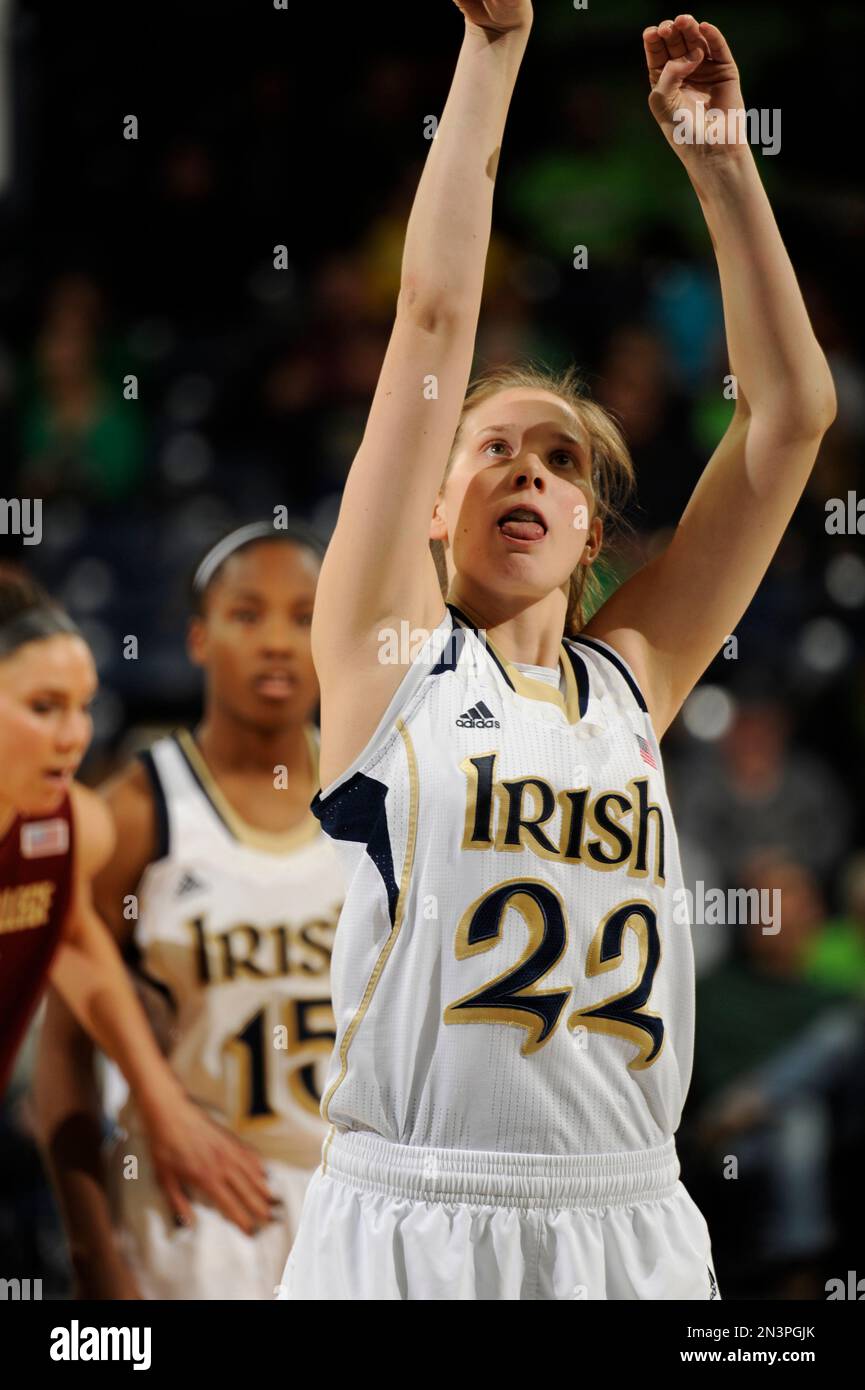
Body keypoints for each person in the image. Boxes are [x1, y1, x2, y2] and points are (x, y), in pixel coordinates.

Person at [276, 4, 836, 1301]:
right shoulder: (386, 655)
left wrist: (720, 165)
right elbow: (429, 318)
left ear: (589, 529)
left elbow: (791, 417)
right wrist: (493, 47)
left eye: (562, 459)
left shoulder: (633, 675)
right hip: (409, 1213)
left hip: (632, 1223)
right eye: (493, 448)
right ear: (432, 506)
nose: (527, 466)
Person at [35, 521, 343, 1298]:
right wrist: (95, 1259)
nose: (277, 641)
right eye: (247, 615)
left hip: (358, 1206)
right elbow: (64, 1053)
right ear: (200, 639)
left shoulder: (378, 790)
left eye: (304, 617)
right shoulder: (138, 809)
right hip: (197, 1211)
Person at [0, 564, 277, 1244]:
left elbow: (72, 937)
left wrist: (161, 1103)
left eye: (83, 705)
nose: (75, 736)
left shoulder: (71, 829)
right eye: (43, 707)